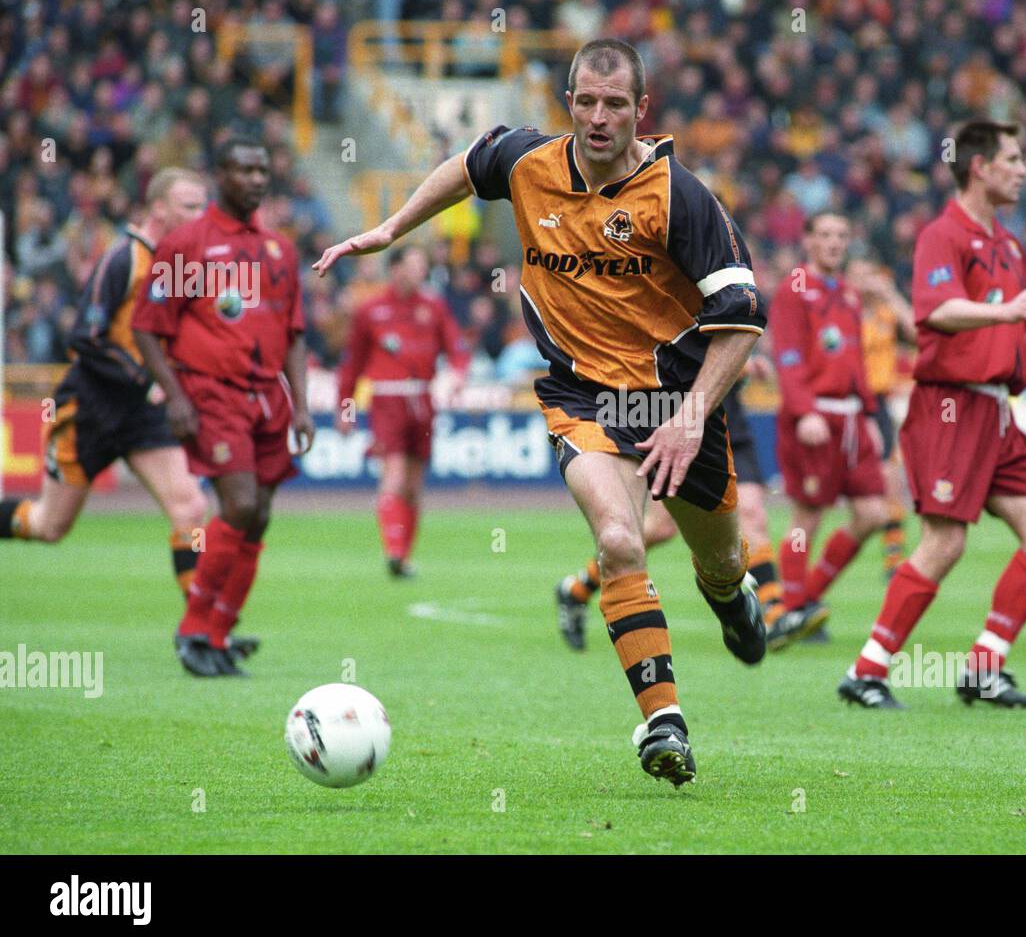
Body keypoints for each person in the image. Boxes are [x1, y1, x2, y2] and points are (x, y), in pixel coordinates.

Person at [315, 39, 768, 787]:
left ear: (640, 110)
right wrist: (394, 229)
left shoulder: (679, 196)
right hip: (582, 394)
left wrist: (690, 416)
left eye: (615, 104)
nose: (597, 117)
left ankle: (729, 593)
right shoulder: (526, 162)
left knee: (719, 560)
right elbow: (467, 165)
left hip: (673, 404)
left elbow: (743, 315)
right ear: (568, 102)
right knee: (619, 541)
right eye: (585, 101)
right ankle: (664, 721)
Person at [837, 120, 1026, 710]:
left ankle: (983, 667)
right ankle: (866, 670)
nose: (1024, 169)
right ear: (980, 167)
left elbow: (1003, 340)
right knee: (945, 543)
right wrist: (1007, 315)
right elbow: (937, 312)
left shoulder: (1010, 245)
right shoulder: (941, 235)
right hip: (949, 409)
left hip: (996, 413)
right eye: (1012, 158)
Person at [132, 137, 315, 678]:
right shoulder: (188, 244)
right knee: (237, 505)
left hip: (269, 399)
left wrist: (302, 405)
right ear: (222, 176)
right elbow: (147, 328)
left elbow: (296, 334)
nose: (257, 179)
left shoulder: (278, 249)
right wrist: (178, 397)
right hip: (212, 394)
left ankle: (217, 633)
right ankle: (192, 630)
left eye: (262, 170)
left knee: (258, 514)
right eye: (244, 170)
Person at [0, 169, 210, 605]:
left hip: (143, 414)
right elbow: (86, 337)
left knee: (190, 508)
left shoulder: (181, 266)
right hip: (90, 409)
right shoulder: (123, 258)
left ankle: (204, 632)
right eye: (189, 206)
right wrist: (146, 377)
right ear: (158, 208)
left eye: (202, 205)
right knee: (49, 527)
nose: (200, 215)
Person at [553, 360, 809, 651]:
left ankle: (773, 611)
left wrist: (744, 359)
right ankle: (578, 588)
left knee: (752, 512)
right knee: (660, 528)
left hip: (726, 412)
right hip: (677, 413)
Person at [766, 211, 890, 649]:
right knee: (807, 516)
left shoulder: (850, 294)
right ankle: (794, 604)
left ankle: (805, 602)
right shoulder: (795, 289)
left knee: (874, 513)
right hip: (815, 416)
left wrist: (870, 415)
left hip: (852, 419)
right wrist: (805, 412)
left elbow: (855, 360)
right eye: (825, 235)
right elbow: (788, 356)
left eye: (842, 235)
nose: (835, 243)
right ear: (808, 241)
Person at [336, 245, 469, 577]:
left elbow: (457, 347)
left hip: (423, 399)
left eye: (422, 266)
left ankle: (403, 557)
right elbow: (352, 365)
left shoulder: (433, 306)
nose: (419, 272)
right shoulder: (371, 310)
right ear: (395, 269)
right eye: (413, 266)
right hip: (388, 399)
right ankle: (393, 551)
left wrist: (457, 375)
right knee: (393, 474)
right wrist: (345, 408)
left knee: (414, 484)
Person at [848, 257, 917, 582]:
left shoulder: (886, 313)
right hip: (848, 403)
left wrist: (891, 293)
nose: (865, 282)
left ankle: (893, 560)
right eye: (858, 275)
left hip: (879, 404)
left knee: (892, 481)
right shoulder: (841, 313)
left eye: (869, 274)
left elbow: (919, 333)